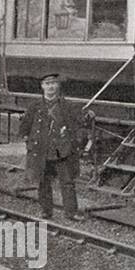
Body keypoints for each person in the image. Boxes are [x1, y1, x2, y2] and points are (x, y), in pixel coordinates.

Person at [19, 73, 85, 221]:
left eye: (54, 83)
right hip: (42, 151)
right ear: (42, 86)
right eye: (47, 84)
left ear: (58, 86)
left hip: (62, 151)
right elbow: (24, 128)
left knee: (67, 182)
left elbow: (78, 126)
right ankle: (46, 211)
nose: (51, 87)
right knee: (43, 182)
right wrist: (30, 143)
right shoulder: (34, 106)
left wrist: (74, 141)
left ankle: (71, 213)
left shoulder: (67, 106)